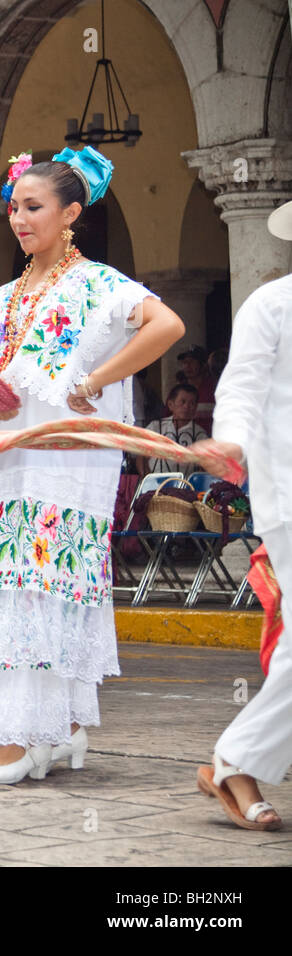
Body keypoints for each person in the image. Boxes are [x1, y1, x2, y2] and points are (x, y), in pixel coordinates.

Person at [0, 146, 185, 784]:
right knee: (12, 587)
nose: (19, 218)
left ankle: (20, 741)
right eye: (14, 207)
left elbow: (168, 324)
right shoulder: (3, 298)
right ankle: (62, 730)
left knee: (39, 587)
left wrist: (95, 378)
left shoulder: (99, 284)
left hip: (68, 467)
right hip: (8, 462)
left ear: (70, 213)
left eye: (34, 207)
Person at [190, 197, 292, 831]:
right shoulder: (273, 303)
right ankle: (237, 758)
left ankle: (238, 757)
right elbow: (243, 386)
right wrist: (229, 439)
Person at [141, 383, 208, 475]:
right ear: (170, 405)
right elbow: (141, 457)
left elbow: (203, 467)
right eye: (183, 402)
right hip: (155, 482)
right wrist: (148, 478)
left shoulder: (200, 435)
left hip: (184, 485)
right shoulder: (155, 427)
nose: (187, 407)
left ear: (196, 408)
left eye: (192, 403)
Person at [175, 344, 217, 433]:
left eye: (192, 362)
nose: (187, 366)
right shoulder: (177, 391)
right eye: (184, 362)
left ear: (203, 364)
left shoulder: (215, 388)